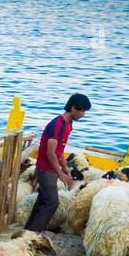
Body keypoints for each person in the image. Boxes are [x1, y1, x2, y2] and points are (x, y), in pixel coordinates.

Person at [28, 93, 90, 233]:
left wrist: (65, 167)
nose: (83, 114)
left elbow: (59, 151)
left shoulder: (68, 125)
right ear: (73, 108)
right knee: (51, 203)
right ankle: (32, 235)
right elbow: (50, 152)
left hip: (51, 168)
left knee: (43, 200)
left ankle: (29, 231)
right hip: (46, 169)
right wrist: (60, 173)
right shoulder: (57, 125)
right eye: (82, 111)